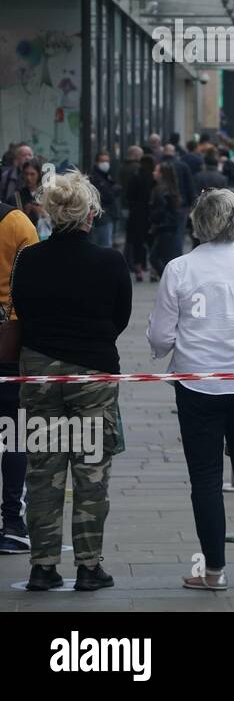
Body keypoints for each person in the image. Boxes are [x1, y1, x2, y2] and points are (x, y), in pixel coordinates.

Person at [146, 189, 234, 590]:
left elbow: (160, 334)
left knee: (205, 478)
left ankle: (214, 571)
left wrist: (163, 350)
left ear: (197, 223)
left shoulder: (179, 269)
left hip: (197, 382)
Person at [12, 171, 131, 591]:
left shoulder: (27, 259)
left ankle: (42, 566)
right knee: (91, 471)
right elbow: (121, 317)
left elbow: (21, 310)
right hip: (93, 374)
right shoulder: (110, 262)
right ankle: (88, 566)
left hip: (40, 374)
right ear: (90, 216)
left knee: (43, 472)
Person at [0, 192, 39, 555]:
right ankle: (12, 522)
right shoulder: (17, 223)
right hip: (9, 340)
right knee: (12, 431)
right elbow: (35, 281)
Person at [148, 161, 186, 278]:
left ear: (162, 174)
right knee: (166, 259)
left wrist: (153, 218)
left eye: (157, 171)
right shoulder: (171, 188)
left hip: (165, 229)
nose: (154, 173)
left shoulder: (161, 190)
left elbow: (160, 210)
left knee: (156, 258)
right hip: (170, 229)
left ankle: (168, 280)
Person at [87, 151, 118, 249]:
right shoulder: (94, 176)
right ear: (96, 162)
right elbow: (105, 195)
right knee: (104, 244)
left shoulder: (107, 175)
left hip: (107, 214)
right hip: (101, 216)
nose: (105, 163)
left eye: (107, 161)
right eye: (102, 161)